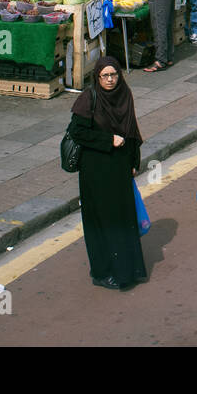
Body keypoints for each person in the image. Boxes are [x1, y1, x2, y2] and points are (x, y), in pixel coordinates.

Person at [67, 56, 147, 289]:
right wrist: (107, 139)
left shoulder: (125, 94)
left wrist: (134, 161)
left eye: (114, 75)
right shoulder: (88, 99)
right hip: (96, 170)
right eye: (105, 76)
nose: (110, 80)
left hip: (120, 167)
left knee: (122, 218)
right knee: (102, 221)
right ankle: (103, 272)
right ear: (97, 77)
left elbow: (132, 129)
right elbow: (77, 132)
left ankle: (128, 270)